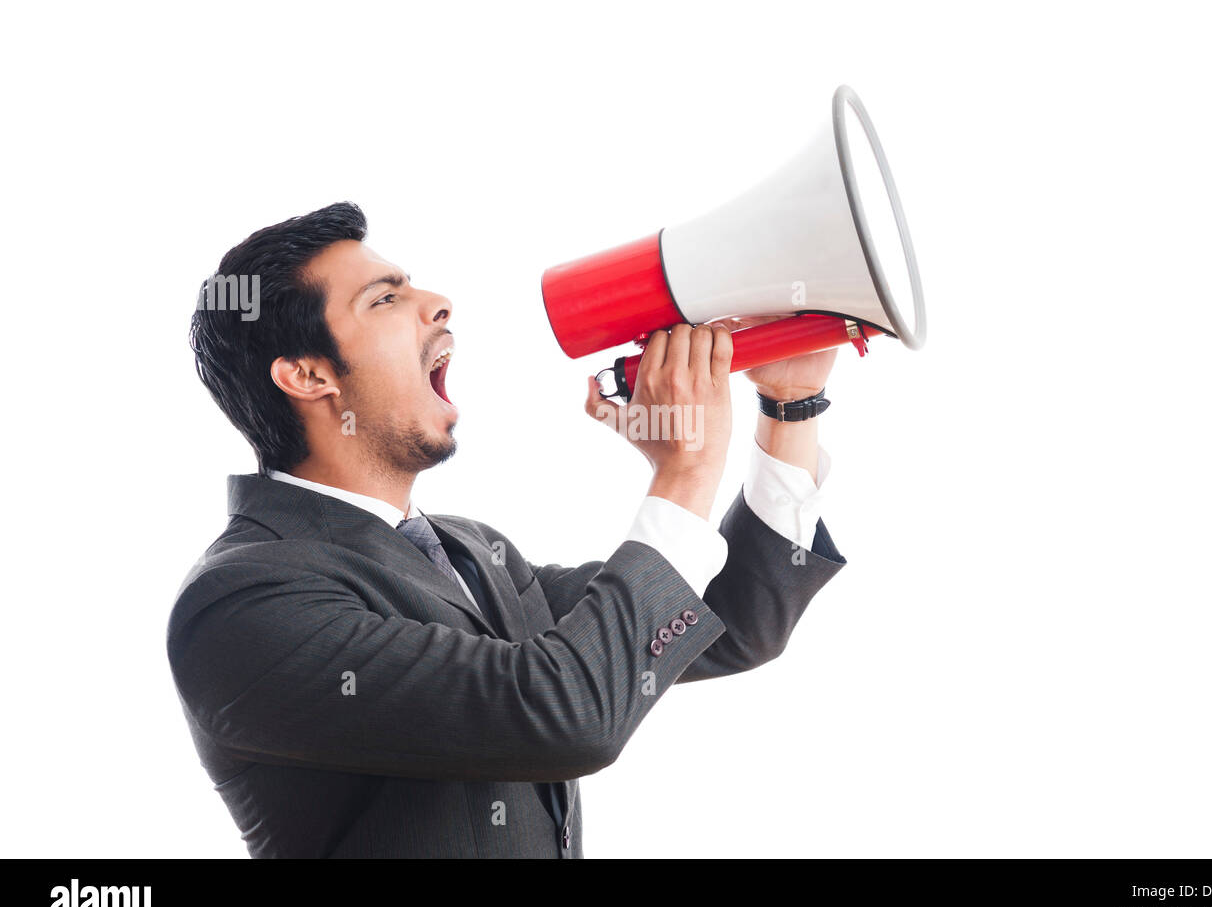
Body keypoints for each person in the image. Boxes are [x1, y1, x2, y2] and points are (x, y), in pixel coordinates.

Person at [169, 202, 847, 857]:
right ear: (307, 374)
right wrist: (685, 472)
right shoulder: (241, 602)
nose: (437, 302)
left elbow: (731, 616)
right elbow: (569, 709)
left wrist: (790, 403)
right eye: (384, 298)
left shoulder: (471, 553)